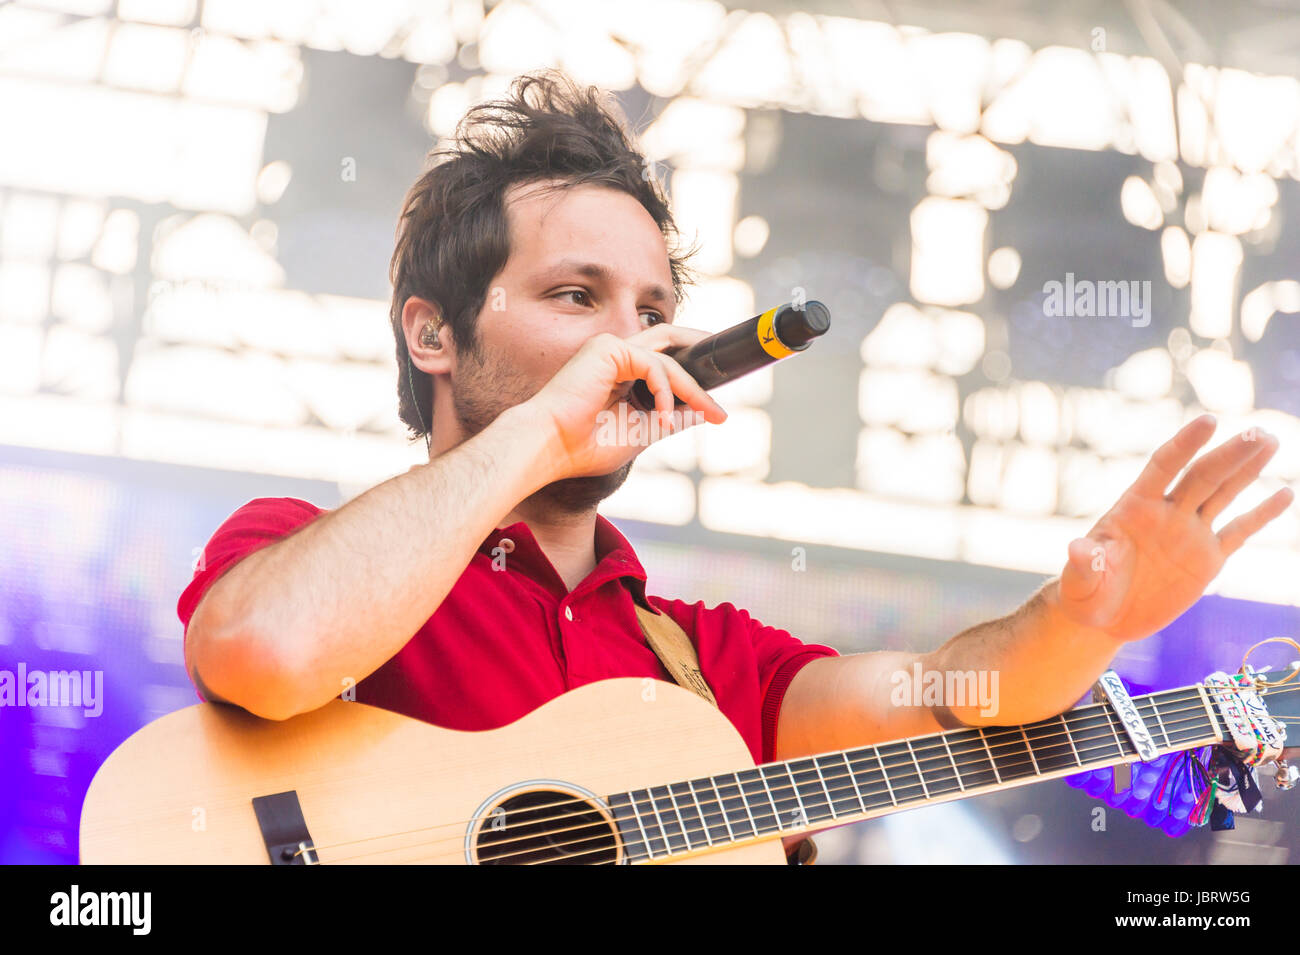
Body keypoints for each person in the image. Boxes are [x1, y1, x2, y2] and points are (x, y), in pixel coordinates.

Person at [177, 70, 1293, 864]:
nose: (635, 341)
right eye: (578, 298)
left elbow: (966, 703)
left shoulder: (709, 663)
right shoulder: (292, 546)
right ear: (433, 335)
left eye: (652, 310)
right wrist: (543, 432)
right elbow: (265, 650)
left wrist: (1084, 617)